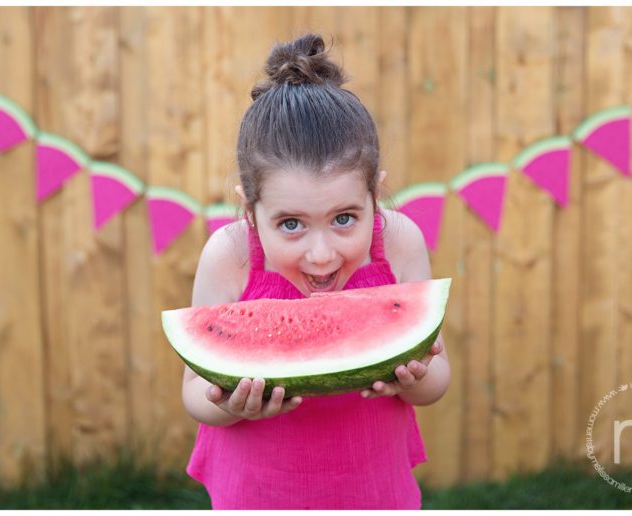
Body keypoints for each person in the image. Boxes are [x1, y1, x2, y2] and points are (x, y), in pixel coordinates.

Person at [181, 33, 451, 510]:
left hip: (373, 493)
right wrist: (225, 404)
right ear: (250, 210)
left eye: (345, 218)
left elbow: (437, 377)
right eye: (290, 225)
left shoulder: (402, 241)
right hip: (256, 496)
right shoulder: (228, 255)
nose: (322, 254)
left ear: (375, 194)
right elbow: (193, 392)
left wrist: (416, 379)